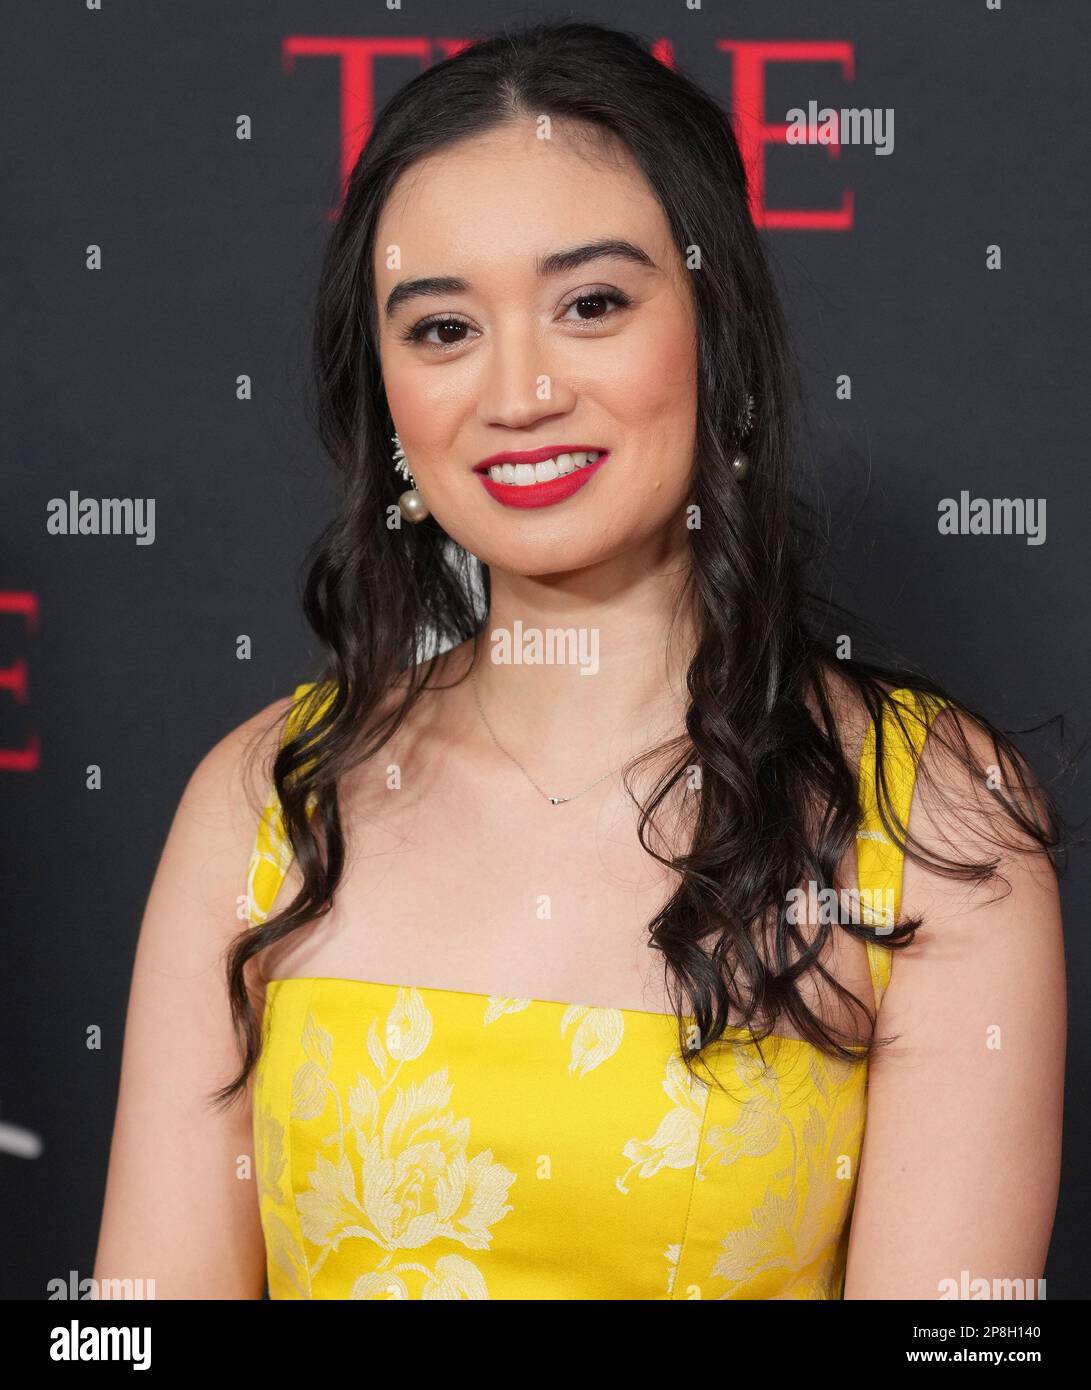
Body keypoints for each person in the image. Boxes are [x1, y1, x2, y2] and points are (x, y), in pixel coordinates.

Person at [94, 20, 1067, 1300]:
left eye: (591, 304)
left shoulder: (930, 818)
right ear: (384, 396)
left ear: (713, 327)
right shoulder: (267, 800)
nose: (521, 390)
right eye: (441, 329)